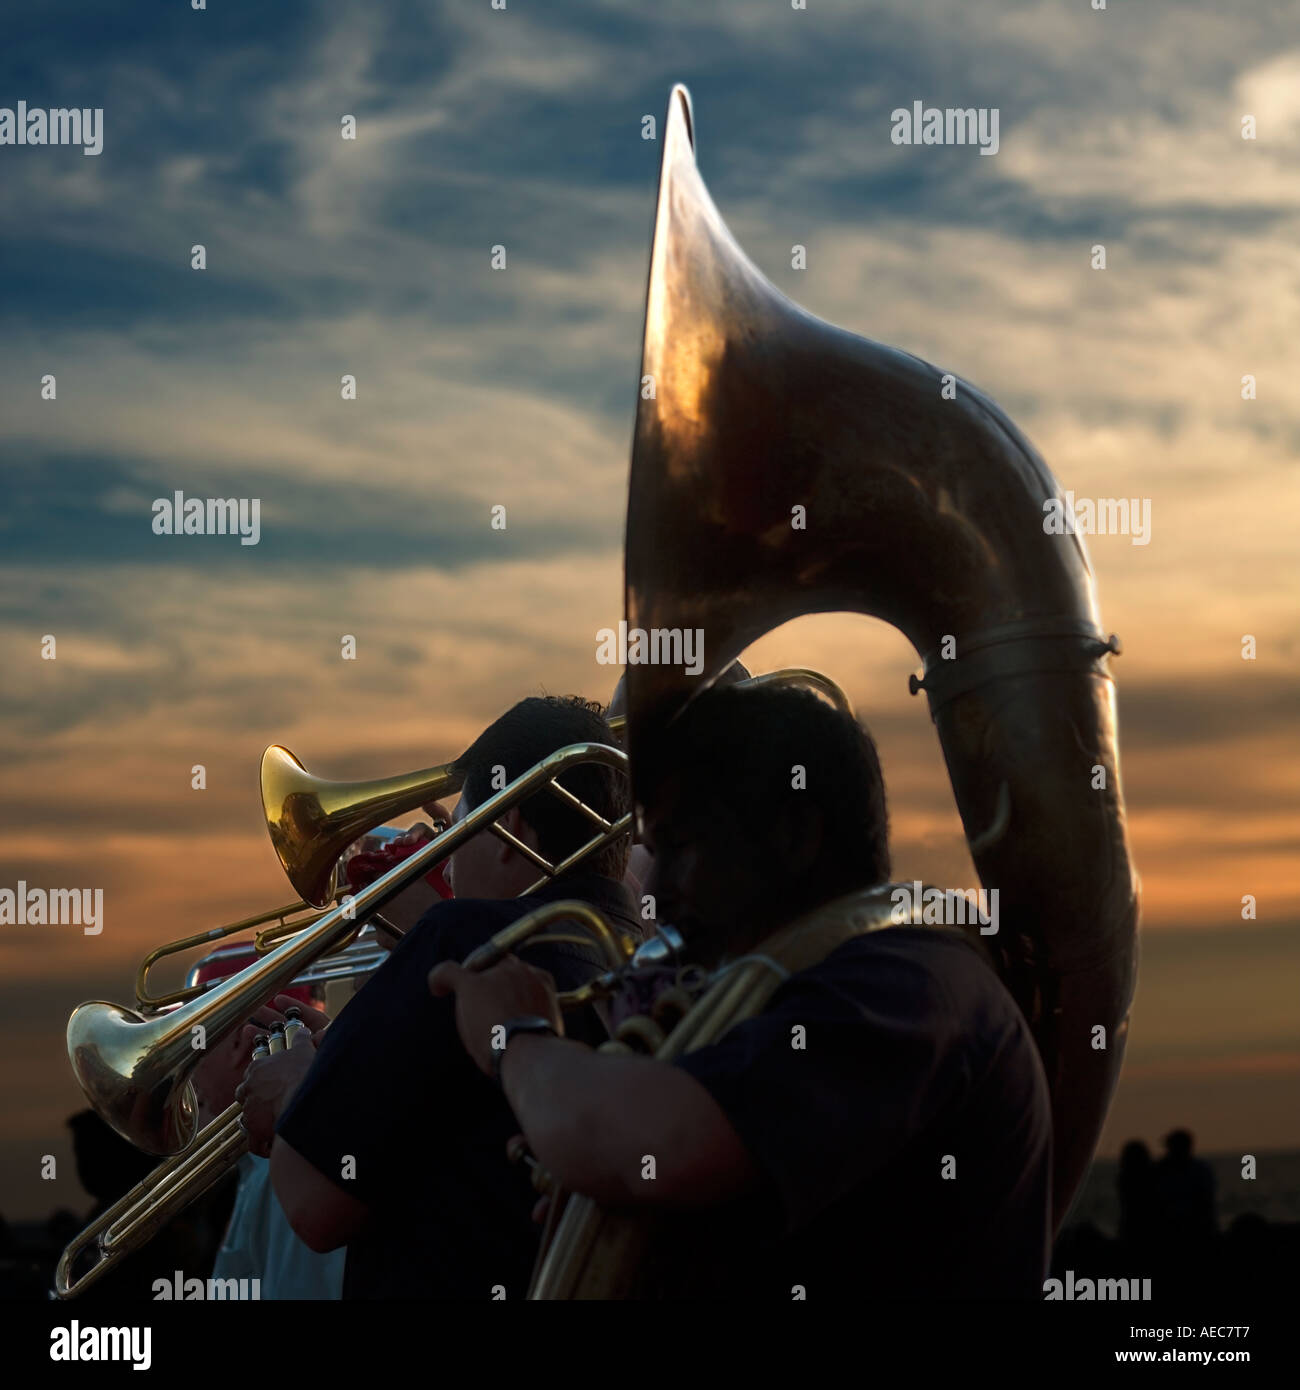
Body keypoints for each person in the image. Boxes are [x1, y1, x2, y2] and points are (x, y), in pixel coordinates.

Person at [432, 682, 1053, 1299]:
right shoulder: (814, 985)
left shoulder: (908, 985)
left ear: (793, 836)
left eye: (680, 848)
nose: (660, 891)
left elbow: (659, 1143)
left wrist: (518, 1036)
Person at [239, 695, 638, 1299]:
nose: (444, 861)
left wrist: (293, 1087)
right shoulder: (644, 958)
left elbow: (314, 1205)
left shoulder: (461, 940)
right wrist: (340, 1064)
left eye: (459, 828)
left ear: (511, 831)